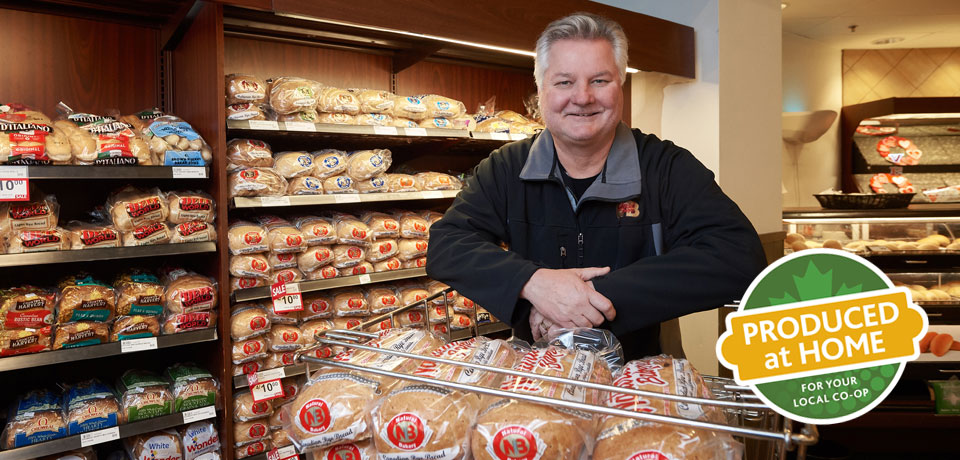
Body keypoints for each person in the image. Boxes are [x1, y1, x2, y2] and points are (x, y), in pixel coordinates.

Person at [425, 12, 766, 360]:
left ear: (621, 85)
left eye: (599, 80)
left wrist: (586, 301)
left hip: (643, 383)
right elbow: (447, 245)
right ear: (541, 90)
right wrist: (535, 283)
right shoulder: (506, 168)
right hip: (537, 382)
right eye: (564, 82)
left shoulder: (666, 167)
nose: (582, 97)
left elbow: (738, 256)